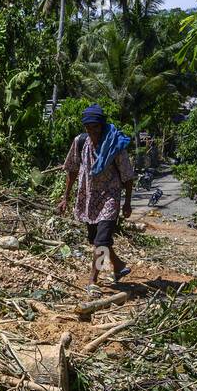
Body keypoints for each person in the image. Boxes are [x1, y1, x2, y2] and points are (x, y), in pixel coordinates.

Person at [57, 104, 135, 292]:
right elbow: (72, 169)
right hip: (89, 197)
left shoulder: (115, 144)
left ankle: (93, 279)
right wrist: (65, 197)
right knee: (97, 240)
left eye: (96, 128)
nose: (92, 132)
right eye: (88, 128)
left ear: (102, 125)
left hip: (110, 197)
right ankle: (118, 265)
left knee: (101, 241)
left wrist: (127, 203)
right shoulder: (80, 142)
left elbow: (128, 176)